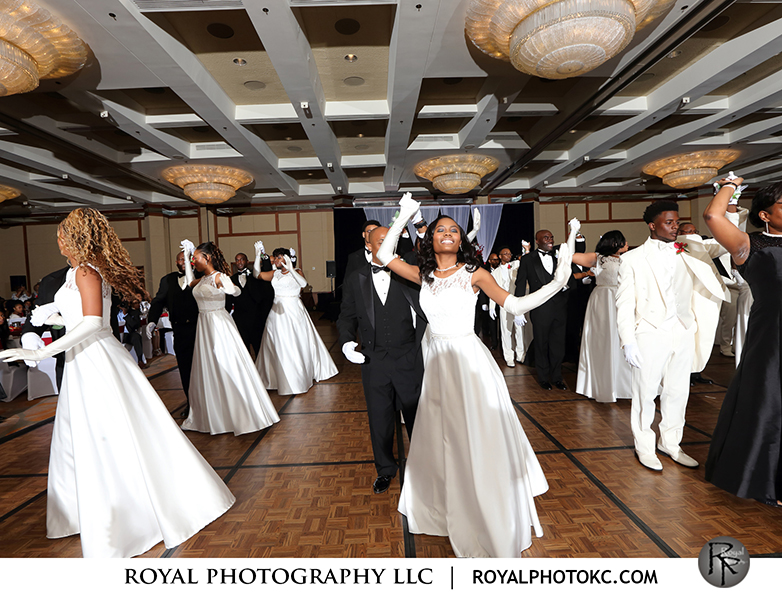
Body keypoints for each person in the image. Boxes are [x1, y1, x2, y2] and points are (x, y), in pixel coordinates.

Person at [0, 207, 235, 558]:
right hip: (83, 360)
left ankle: (126, 518)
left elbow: (94, 323)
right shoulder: (75, 273)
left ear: (78, 237)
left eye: (64, 234)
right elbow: (81, 315)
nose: (59, 240)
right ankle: (81, 511)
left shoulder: (85, 271)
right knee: (80, 436)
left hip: (96, 359)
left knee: (107, 435)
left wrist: (38, 355)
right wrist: (55, 315)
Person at [377, 194, 572, 558]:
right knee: (440, 435)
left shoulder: (475, 273)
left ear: (462, 240)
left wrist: (556, 284)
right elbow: (384, 256)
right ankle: (443, 503)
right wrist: (403, 215)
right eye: (440, 230)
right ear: (429, 240)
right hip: (435, 362)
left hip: (468, 361)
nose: (448, 233)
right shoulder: (425, 275)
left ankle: (485, 506)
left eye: (453, 230)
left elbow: (513, 304)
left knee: (475, 435)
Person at [616, 200, 728, 472]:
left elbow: (725, 241)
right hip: (650, 331)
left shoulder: (689, 247)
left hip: (683, 329)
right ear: (652, 226)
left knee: (678, 391)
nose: (675, 227)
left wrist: (731, 206)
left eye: (677, 222)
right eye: (669, 222)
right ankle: (644, 446)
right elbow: (624, 302)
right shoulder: (632, 259)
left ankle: (671, 443)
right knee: (645, 392)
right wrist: (628, 340)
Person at [703, 177, 782, 506]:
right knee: (770, 402)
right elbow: (713, 217)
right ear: (765, 215)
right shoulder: (749, 245)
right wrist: (731, 186)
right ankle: (767, 480)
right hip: (773, 336)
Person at [337, 227, 428, 494]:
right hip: (373, 360)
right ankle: (386, 470)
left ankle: (424, 468)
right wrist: (344, 342)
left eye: (393, 239)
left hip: (408, 357)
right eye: (382, 240)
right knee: (380, 418)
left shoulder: (409, 272)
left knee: (416, 416)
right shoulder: (357, 278)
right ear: (369, 244)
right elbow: (346, 315)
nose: (389, 244)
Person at [181, 240, 280, 436]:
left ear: (207, 258)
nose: (194, 262)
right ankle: (215, 414)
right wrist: (187, 254)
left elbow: (236, 291)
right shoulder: (200, 280)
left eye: (196, 258)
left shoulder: (219, 277)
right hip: (204, 326)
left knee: (227, 365)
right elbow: (188, 281)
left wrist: (228, 285)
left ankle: (240, 412)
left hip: (219, 325)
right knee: (209, 368)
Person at [255, 245, 337, 395]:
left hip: (293, 309)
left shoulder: (297, 272)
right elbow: (257, 275)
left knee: (296, 342)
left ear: (286, 258)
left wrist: (291, 269)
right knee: (278, 343)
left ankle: (300, 376)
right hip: (277, 310)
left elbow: (304, 284)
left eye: (279, 257)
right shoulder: (275, 273)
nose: (277, 260)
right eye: (276, 258)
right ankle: (277, 377)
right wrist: (256, 255)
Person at [568, 225, 631, 403]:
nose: (626, 243)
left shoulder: (630, 259)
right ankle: (603, 384)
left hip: (623, 298)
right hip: (604, 299)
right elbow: (570, 256)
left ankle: (624, 384)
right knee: (604, 340)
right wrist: (573, 234)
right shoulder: (599, 258)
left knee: (623, 338)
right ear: (614, 243)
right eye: (622, 240)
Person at [515, 230, 573, 390]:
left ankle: (557, 377)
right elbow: (520, 284)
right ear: (537, 240)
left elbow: (570, 277)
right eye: (546, 237)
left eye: (552, 237)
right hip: (540, 308)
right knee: (541, 343)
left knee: (558, 344)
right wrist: (518, 309)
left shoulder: (559, 256)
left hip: (559, 307)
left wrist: (567, 287)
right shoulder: (527, 259)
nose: (550, 240)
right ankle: (543, 378)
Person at [147, 251, 199, 417]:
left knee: (202, 367)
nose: (184, 262)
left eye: (187, 259)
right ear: (176, 261)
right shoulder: (168, 279)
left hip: (200, 329)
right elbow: (158, 302)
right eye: (180, 259)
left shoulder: (200, 277)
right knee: (184, 369)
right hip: (180, 330)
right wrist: (152, 321)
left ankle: (207, 404)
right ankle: (191, 403)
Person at [225, 250, 273, 358]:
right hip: (240, 319)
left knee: (258, 347)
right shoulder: (231, 279)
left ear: (247, 261)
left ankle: (260, 370)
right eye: (237, 260)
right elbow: (228, 300)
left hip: (256, 317)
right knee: (243, 348)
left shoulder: (255, 276)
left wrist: (263, 255)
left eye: (242, 259)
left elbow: (267, 271)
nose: (239, 262)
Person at [489, 246, 530, 368]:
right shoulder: (495, 273)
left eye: (509, 253)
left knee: (519, 329)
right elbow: (493, 290)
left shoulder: (516, 265)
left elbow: (525, 260)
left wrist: (526, 250)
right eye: (505, 253)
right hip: (504, 303)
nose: (508, 255)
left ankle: (520, 354)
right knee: (506, 330)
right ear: (500, 256)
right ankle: (508, 356)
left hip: (517, 302)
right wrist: (492, 306)